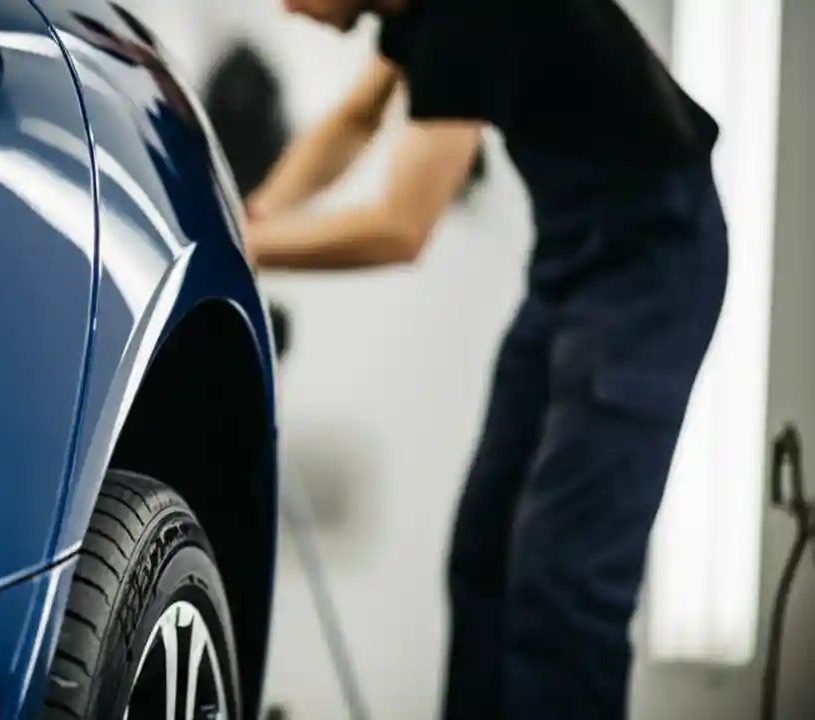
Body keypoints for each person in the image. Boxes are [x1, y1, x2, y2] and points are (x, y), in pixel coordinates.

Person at [244, 1, 727, 718]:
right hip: (568, 266)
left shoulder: (472, 14)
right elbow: (352, 122)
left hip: (652, 270)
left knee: (564, 581)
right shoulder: (419, 16)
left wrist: (240, 246)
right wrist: (249, 213)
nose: (286, 6)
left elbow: (401, 228)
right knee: (483, 560)